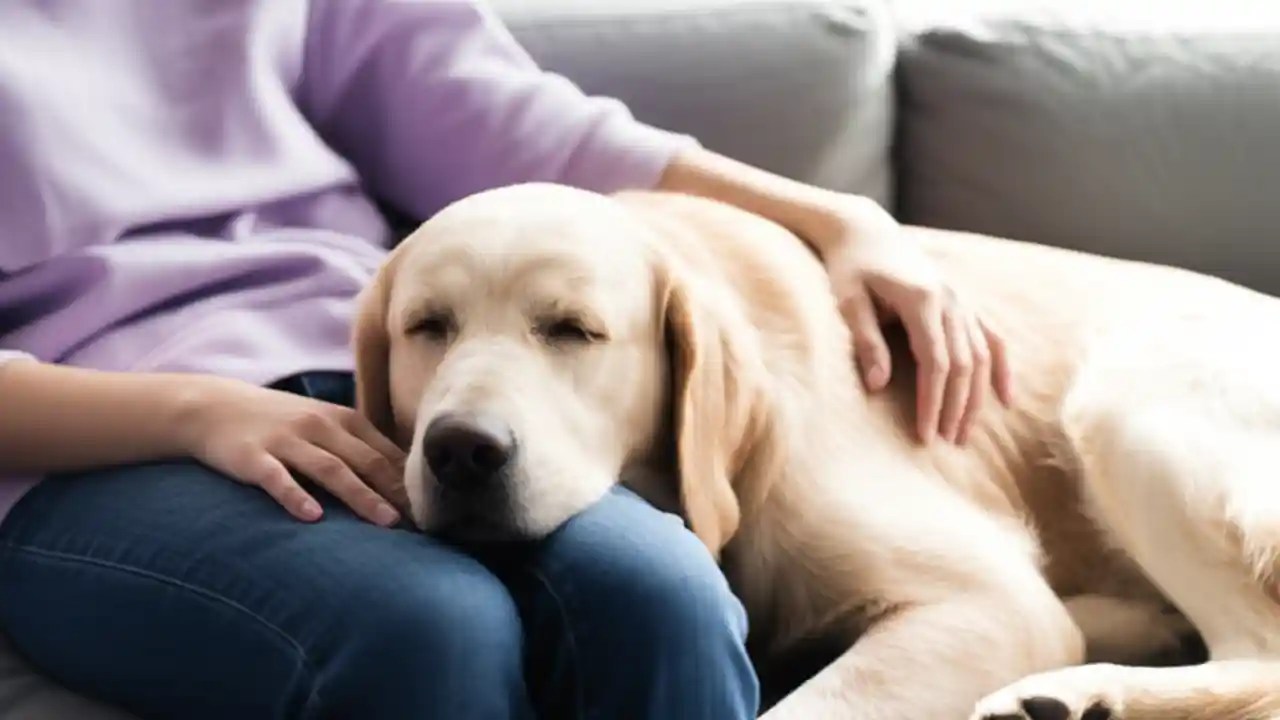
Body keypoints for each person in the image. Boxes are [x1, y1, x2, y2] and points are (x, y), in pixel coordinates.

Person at [0, 1, 1011, 719]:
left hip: (378, 382)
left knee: (659, 590)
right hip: (93, 446)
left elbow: (526, 130)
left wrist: (838, 221)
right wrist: (195, 411)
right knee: (429, 625)